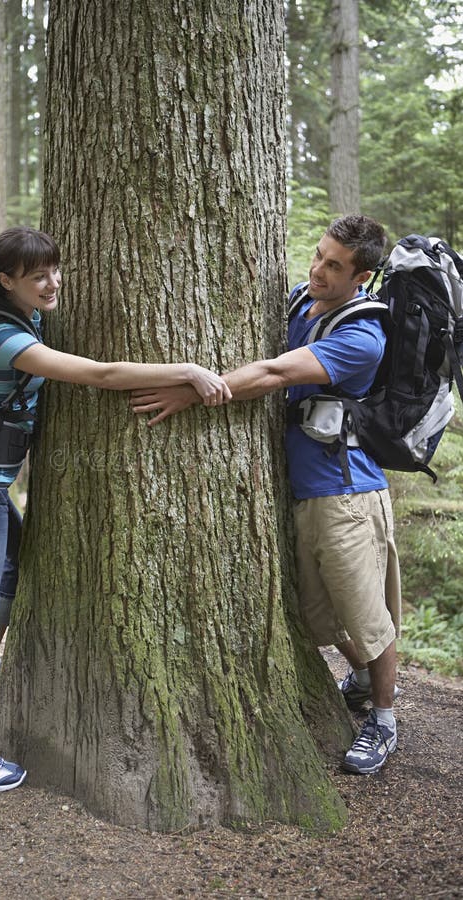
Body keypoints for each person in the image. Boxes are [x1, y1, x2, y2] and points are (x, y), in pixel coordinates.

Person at [0, 225, 231, 792]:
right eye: (36, 276)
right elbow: (99, 375)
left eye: (54, 269)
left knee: (10, 576)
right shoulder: (3, 335)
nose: (52, 283)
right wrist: (186, 371)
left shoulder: (25, 317)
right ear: (5, 281)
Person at [131, 215, 401, 776]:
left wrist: (192, 391)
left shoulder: (363, 336)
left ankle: (383, 718)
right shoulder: (303, 301)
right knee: (311, 611)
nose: (318, 270)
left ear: (363, 277)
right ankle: (354, 680)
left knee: (367, 617)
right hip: (301, 489)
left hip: (346, 492)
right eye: (319, 255)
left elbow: (278, 372)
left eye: (334, 265)